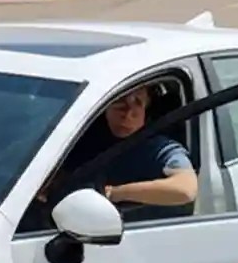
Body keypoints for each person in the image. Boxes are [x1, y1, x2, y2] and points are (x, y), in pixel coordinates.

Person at [22, 84, 197, 231]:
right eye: (120, 101)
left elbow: (185, 189)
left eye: (137, 102)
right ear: (104, 107)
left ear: (147, 110)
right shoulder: (81, 139)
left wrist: (114, 193)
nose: (127, 113)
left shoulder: (158, 148)